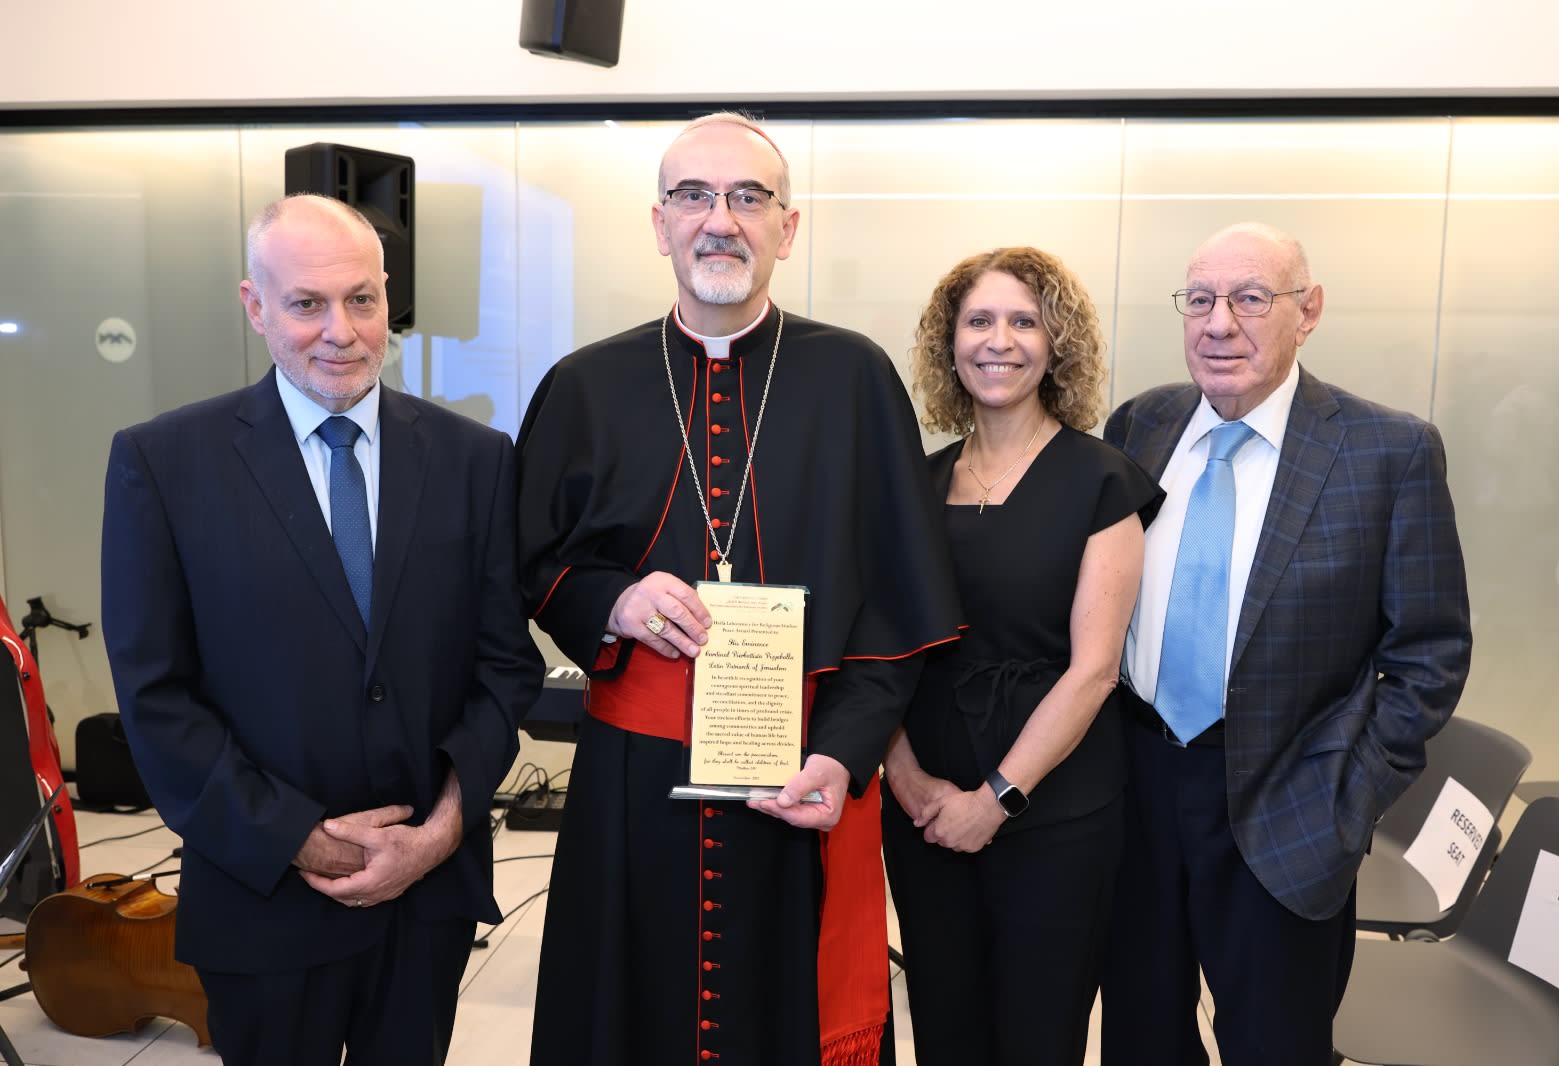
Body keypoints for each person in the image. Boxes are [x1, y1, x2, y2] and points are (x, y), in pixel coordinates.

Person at [516, 112, 963, 1066]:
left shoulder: (854, 378)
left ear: (787, 228)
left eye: (748, 197)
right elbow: (530, 562)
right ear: (659, 220)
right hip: (635, 782)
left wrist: (842, 758)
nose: (720, 220)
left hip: (800, 774)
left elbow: (894, 608)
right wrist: (614, 603)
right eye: (693, 196)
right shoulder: (587, 384)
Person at [100, 193, 545, 1066]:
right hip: (262, 894)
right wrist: (302, 838)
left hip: (426, 899)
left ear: (388, 301)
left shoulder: (475, 460)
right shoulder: (164, 462)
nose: (340, 330)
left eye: (363, 299)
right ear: (255, 306)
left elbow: (505, 667)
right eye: (307, 303)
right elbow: (157, 697)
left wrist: (443, 830)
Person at [1099, 222, 1472, 1065]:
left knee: (1276, 1046)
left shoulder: (1387, 450)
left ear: (1309, 312)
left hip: (1288, 797)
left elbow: (1429, 653)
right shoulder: (1141, 426)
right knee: (1138, 1035)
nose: (1219, 323)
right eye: (1199, 300)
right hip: (1137, 786)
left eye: (1250, 298)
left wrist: (1349, 798)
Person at [880, 247, 1161, 1066]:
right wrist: (908, 780)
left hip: (1055, 810)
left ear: (1055, 343)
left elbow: (1095, 670)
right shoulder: (915, 485)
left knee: (1037, 1033)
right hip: (923, 807)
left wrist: (996, 799)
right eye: (978, 320)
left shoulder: (1104, 483)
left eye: (1023, 321)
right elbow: (879, 650)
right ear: (949, 342)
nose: (998, 341)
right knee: (943, 1023)